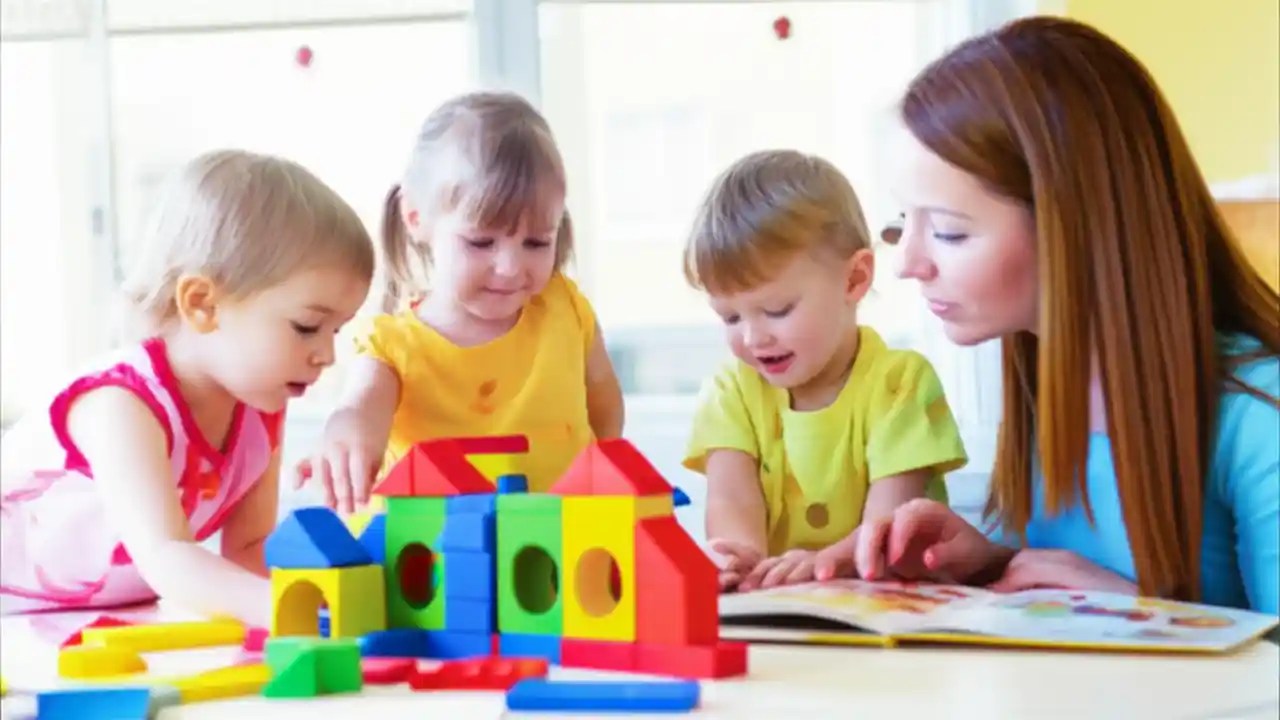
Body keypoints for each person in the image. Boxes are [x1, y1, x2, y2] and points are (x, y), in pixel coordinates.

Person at [846, 16, 1279, 614]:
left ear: (1072, 229)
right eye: (903, 223)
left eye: (948, 231)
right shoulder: (1044, 385)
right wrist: (990, 563)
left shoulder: (1259, 414)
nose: (909, 262)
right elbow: (1071, 586)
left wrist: (1149, 615)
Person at [0, 150, 374, 625]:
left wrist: (339, 592)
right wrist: (288, 610)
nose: (327, 355)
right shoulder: (121, 406)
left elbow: (248, 550)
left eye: (336, 331)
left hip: (74, 620)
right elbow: (168, 558)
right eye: (306, 327)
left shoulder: (260, 406)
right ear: (203, 304)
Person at [302, 91, 624, 511]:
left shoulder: (566, 308)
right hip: (437, 565)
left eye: (536, 242)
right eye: (480, 241)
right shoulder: (393, 347)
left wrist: (603, 478)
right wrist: (346, 434)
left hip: (560, 553)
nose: (510, 266)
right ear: (416, 218)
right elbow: (362, 407)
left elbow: (603, 403)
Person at [681, 150, 968, 592]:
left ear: (854, 280)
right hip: (787, 606)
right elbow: (731, 499)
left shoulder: (900, 382)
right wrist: (739, 560)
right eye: (730, 318)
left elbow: (889, 528)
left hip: (889, 599)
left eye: (777, 310)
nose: (754, 339)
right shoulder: (731, 390)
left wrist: (824, 564)